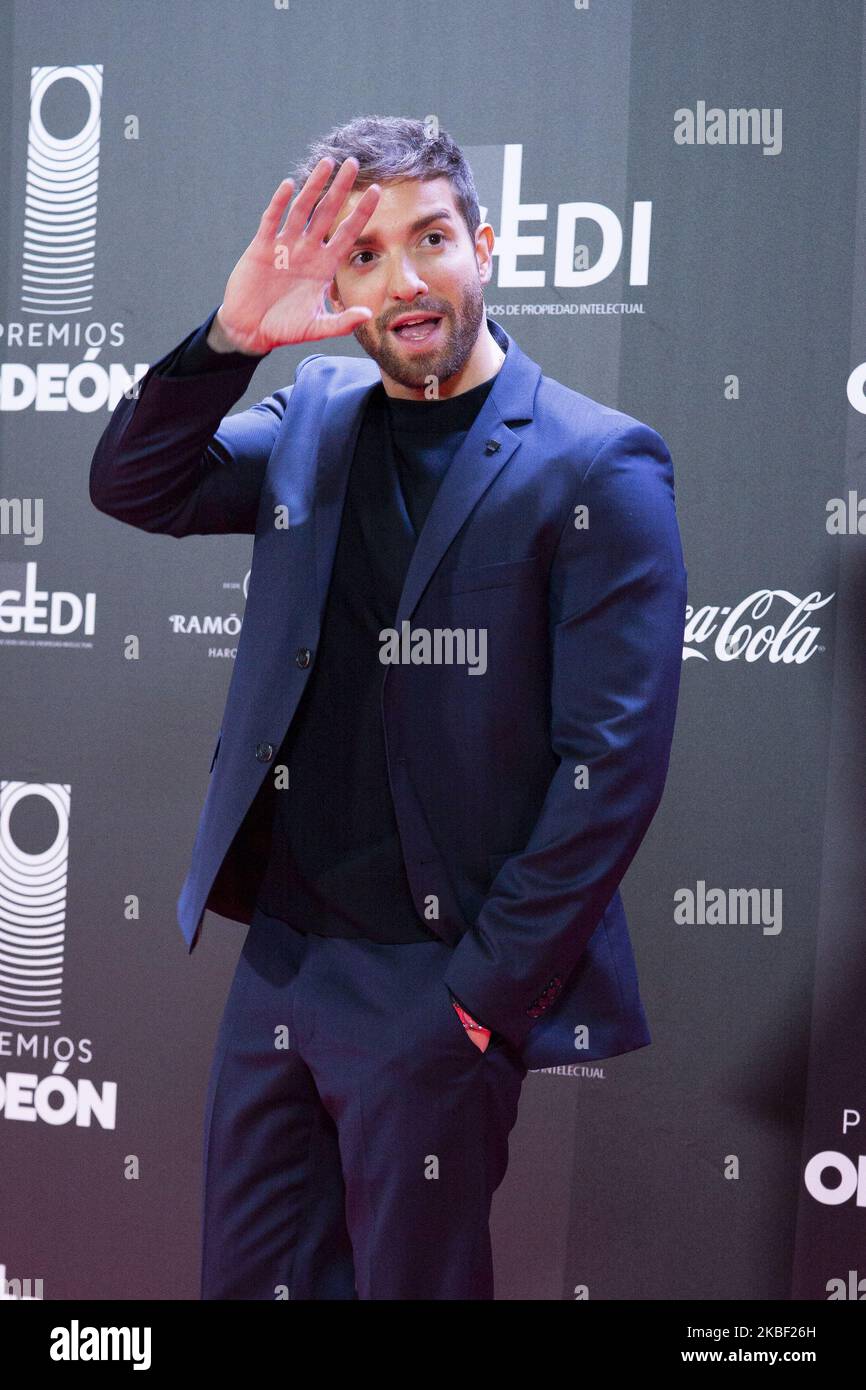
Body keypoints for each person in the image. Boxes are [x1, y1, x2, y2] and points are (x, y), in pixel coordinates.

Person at [89, 115, 688, 1300]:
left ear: (485, 245)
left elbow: (609, 765)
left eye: (428, 241)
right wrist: (227, 338)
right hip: (283, 964)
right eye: (362, 255)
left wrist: (474, 999)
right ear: (336, 281)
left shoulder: (593, 463)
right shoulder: (312, 414)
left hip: (434, 981)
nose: (403, 281)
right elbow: (134, 485)